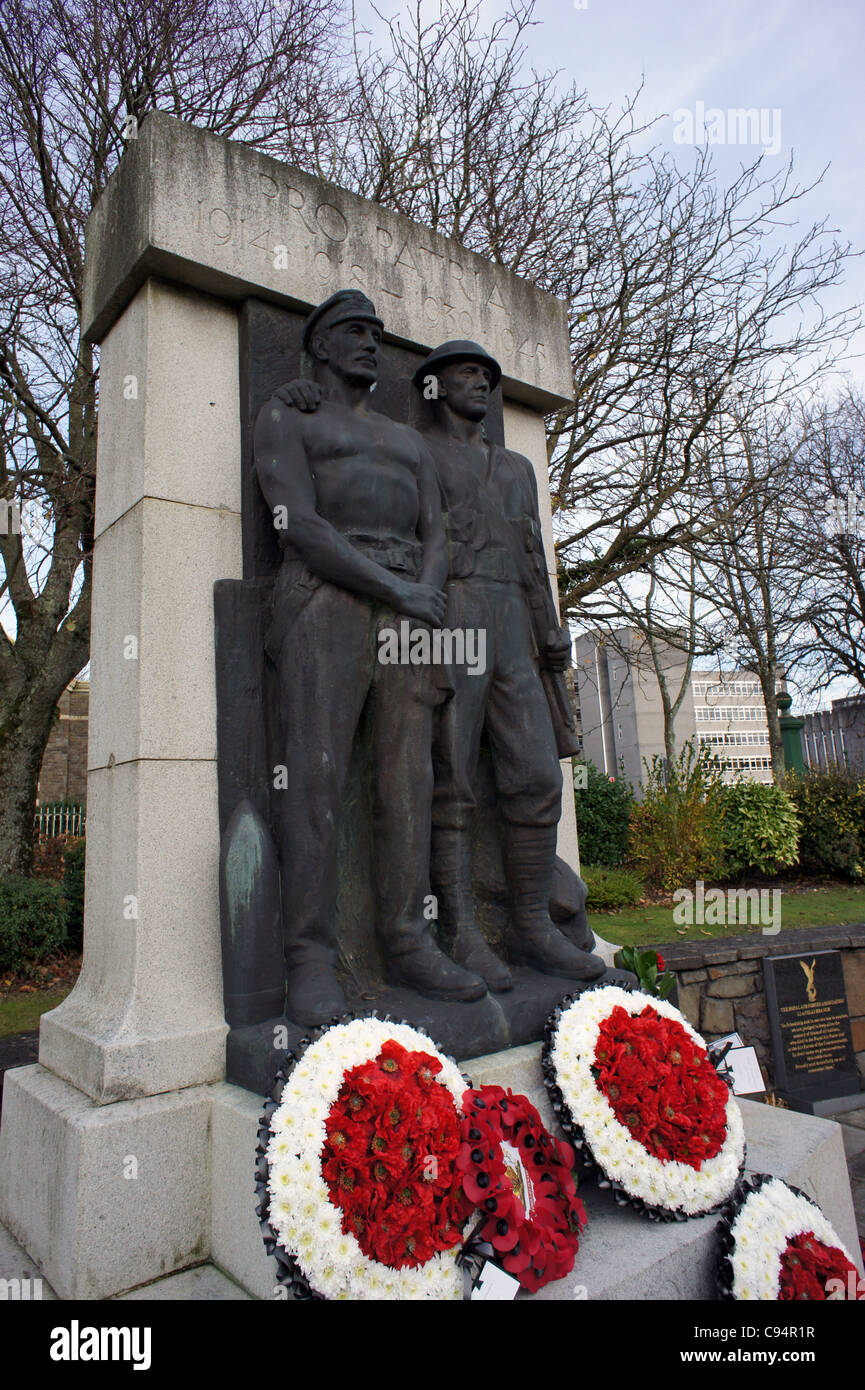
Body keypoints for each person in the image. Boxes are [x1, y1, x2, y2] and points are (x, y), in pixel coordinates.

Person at [254, 293, 486, 1026]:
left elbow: (436, 530)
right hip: (326, 594)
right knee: (313, 778)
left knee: (407, 782)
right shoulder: (287, 416)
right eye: (354, 333)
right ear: (319, 345)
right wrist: (396, 589)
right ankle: (310, 961)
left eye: (377, 335)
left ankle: (408, 941)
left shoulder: (406, 440)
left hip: (409, 607)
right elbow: (299, 522)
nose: (370, 345)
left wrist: (420, 590)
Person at [412, 341, 606, 991]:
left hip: (515, 625)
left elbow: (532, 553)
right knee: (453, 776)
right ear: (434, 385)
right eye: (468, 373)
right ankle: (458, 930)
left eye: (488, 377)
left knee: (535, 777)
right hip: (452, 614)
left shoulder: (518, 468)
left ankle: (530, 925)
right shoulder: (414, 449)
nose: (483, 385)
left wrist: (550, 626)